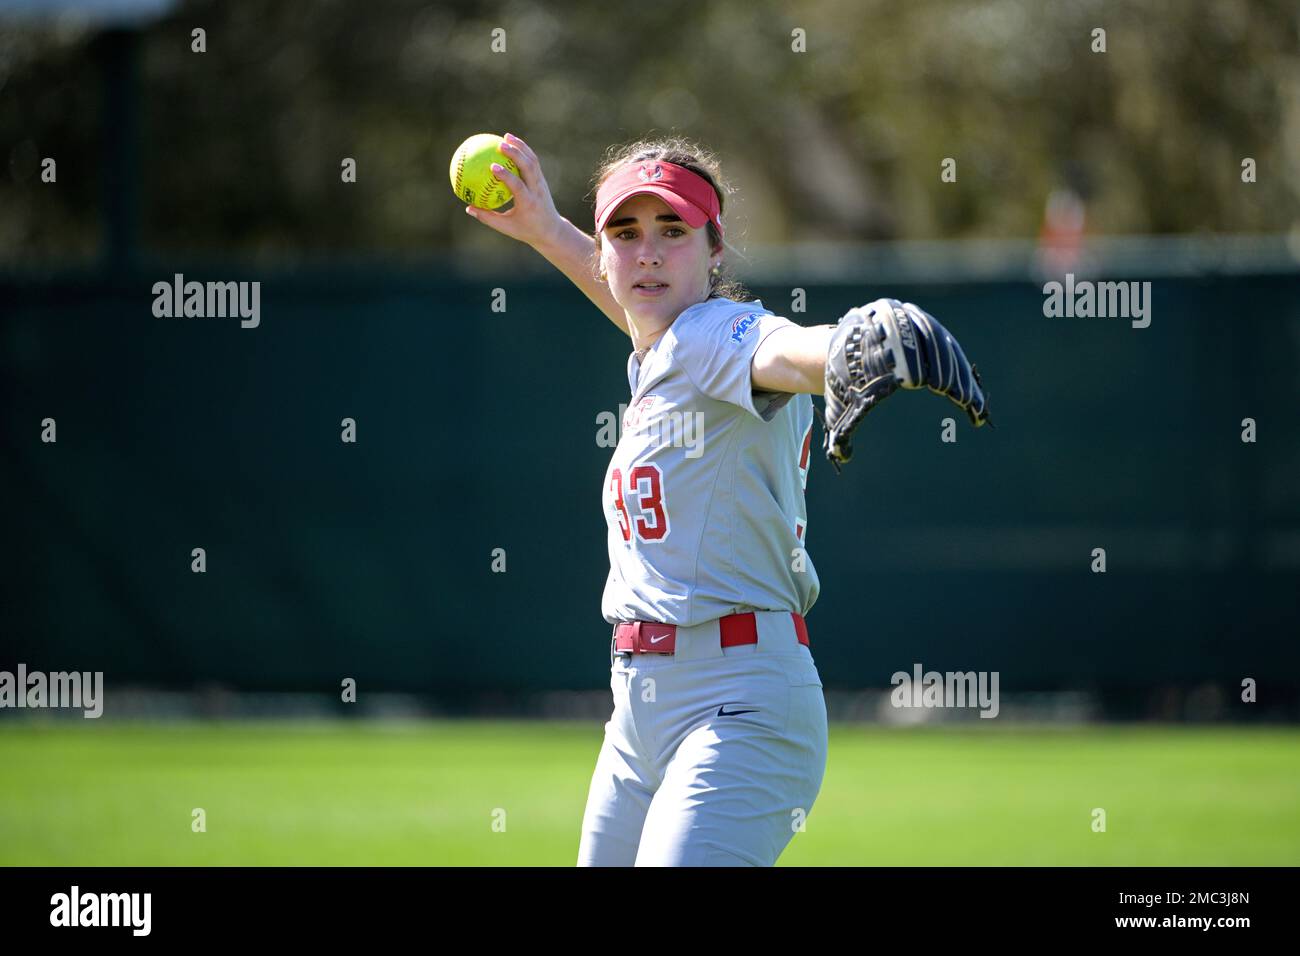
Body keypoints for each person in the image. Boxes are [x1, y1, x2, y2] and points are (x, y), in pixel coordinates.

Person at [463, 133, 987, 866]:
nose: (647, 251)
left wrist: (845, 348)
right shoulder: (665, 351)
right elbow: (640, 302)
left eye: (672, 231)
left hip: (738, 704)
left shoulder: (714, 334)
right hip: (639, 716)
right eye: (625, 231)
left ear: (715, 250)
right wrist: (546, 227)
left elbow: (779, 351)